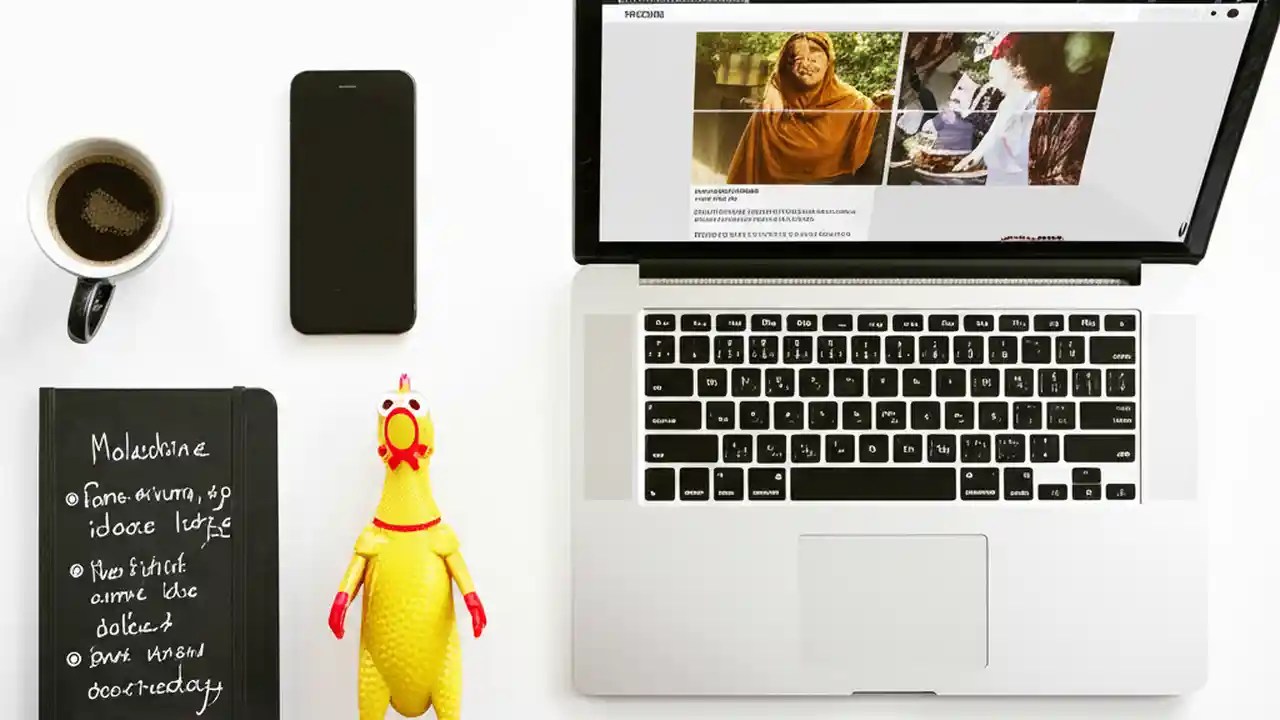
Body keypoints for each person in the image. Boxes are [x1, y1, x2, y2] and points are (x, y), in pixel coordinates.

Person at [726, 32, 882, 184]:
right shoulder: (770, 113)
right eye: (797, 58)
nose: (806, 64)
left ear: (829, 61)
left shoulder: (856, 107)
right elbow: (745, 174)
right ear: (787, 66)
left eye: (814, 56)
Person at [952, 33, 1042, 185]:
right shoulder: (1015, 96)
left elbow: (998, 129)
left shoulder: (1023, 93)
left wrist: (974, 157)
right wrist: (974, 156)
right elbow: (996, 130)